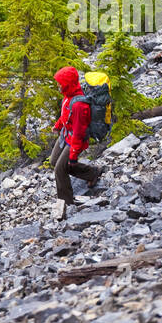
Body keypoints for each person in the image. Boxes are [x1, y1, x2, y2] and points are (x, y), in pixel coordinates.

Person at [50, 65, 102, 220]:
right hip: (65, 135)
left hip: (74, 140)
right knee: (54, 161)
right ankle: (92, 173)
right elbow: (66, 115)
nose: (58, 86)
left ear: (67, 83)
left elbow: (79, 132)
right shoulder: (67, 96)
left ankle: (66, 203)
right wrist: (58, 125)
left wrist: (73, 154)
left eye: (60, 83)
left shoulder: (80, 105)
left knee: (60, 169)